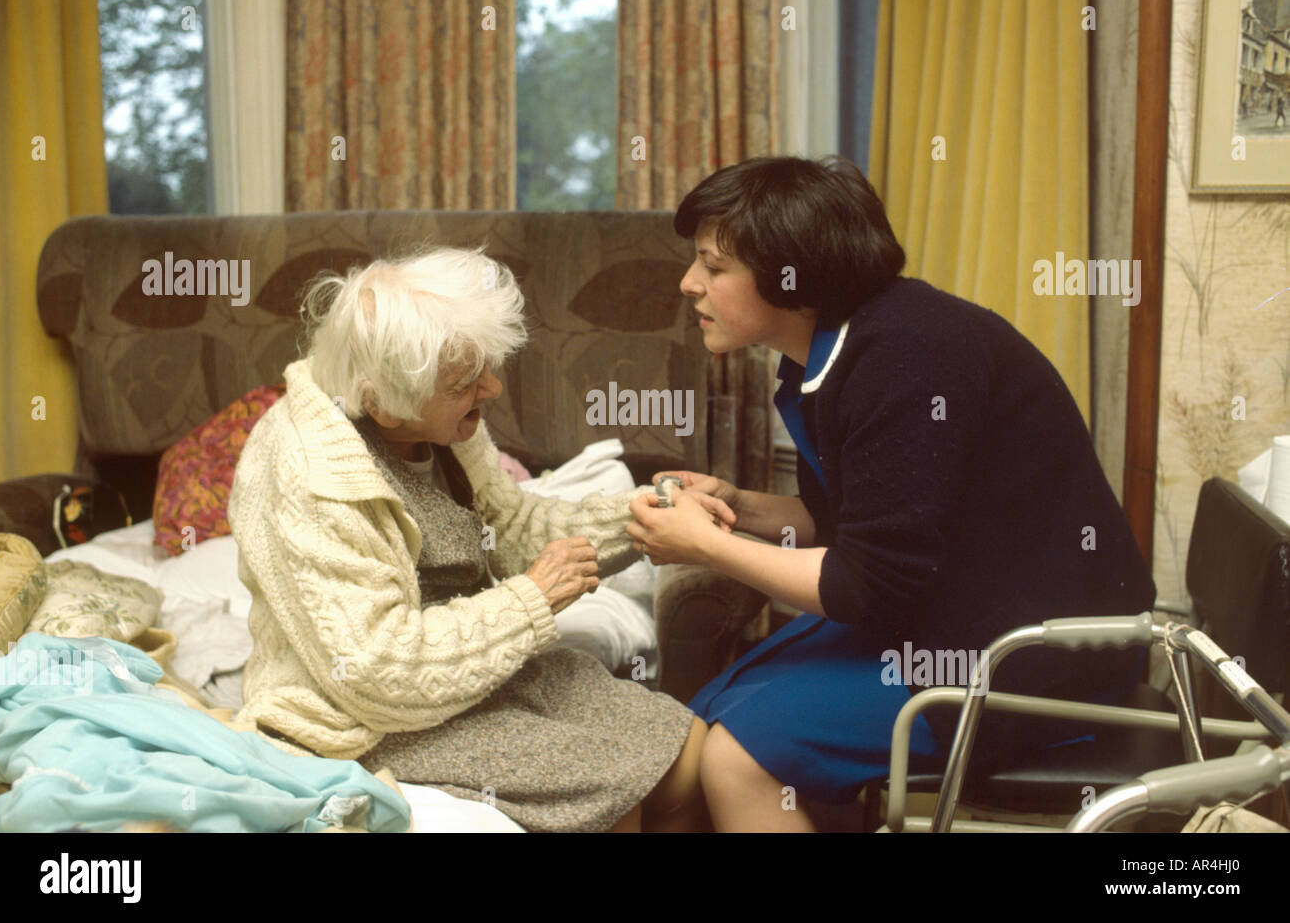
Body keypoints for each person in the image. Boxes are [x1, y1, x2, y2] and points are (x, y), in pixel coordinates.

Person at [626, 155, 1157, 832]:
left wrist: (705, 544)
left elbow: (865, 580)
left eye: (713, 265)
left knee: (736, 757)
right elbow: (855, 525)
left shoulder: (909, 358)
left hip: (1035, 661)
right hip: (950, 620)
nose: (688, 283)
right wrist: (739, 501)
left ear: (792, 269)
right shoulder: (838, 348)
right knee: (696, 723)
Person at [228, 247, 716, 832]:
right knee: (617, 795)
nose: (492, 388)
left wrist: (640, 515)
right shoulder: (309, 472)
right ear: (381, 401)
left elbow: (507, 528)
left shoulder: (443, 424)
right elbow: (375, 670)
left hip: (473, 669)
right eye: (465, 382)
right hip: (361, 719)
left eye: (486, 365)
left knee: (693, 753)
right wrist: (531, 600)